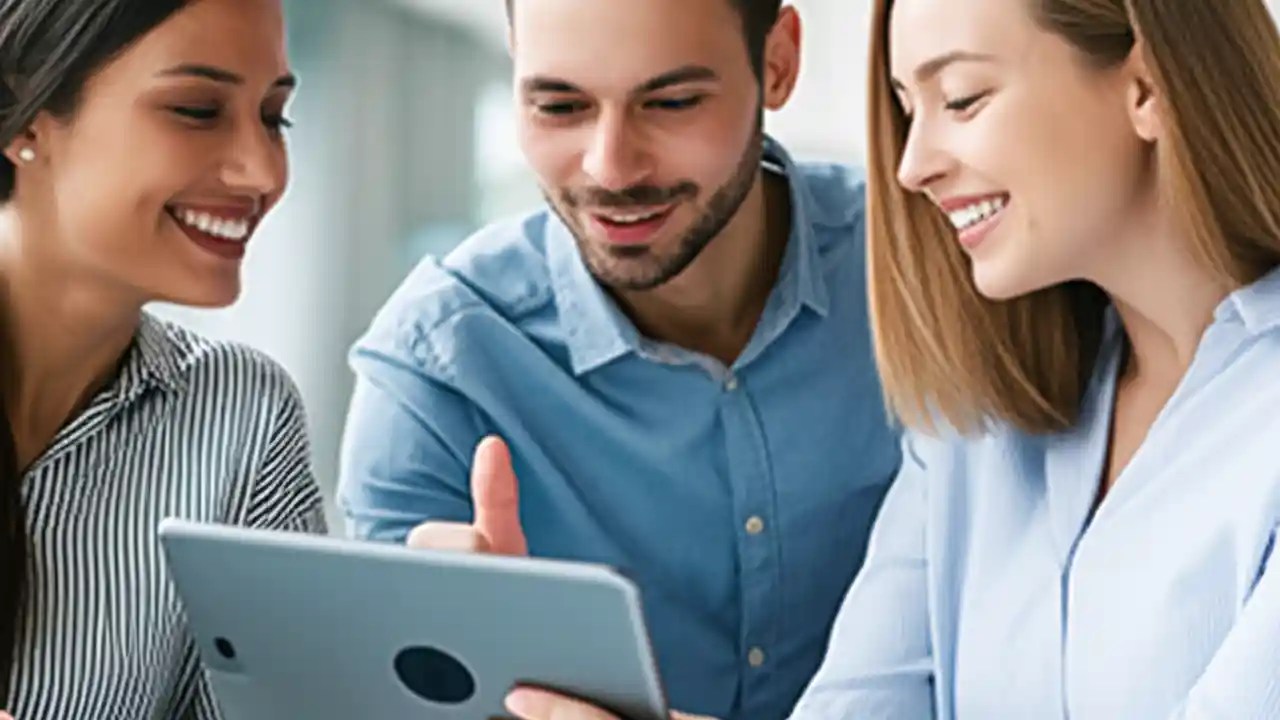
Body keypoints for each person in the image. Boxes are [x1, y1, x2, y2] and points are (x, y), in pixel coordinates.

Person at [488, 0, 1280, 718]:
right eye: (908, 110)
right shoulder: (978, 426)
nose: (911, 166)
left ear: (1145, 85)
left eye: (962, 99)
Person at [336, 0, 901, 717]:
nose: (611, 168)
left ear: (778, 63)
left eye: (671, 102)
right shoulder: (438, 372)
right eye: (559, 106)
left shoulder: (930, 277)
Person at [0, 0, 324, 716]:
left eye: (275, 118)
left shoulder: (242, 415)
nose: (262, 171)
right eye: (196, 109)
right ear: (26, 117)